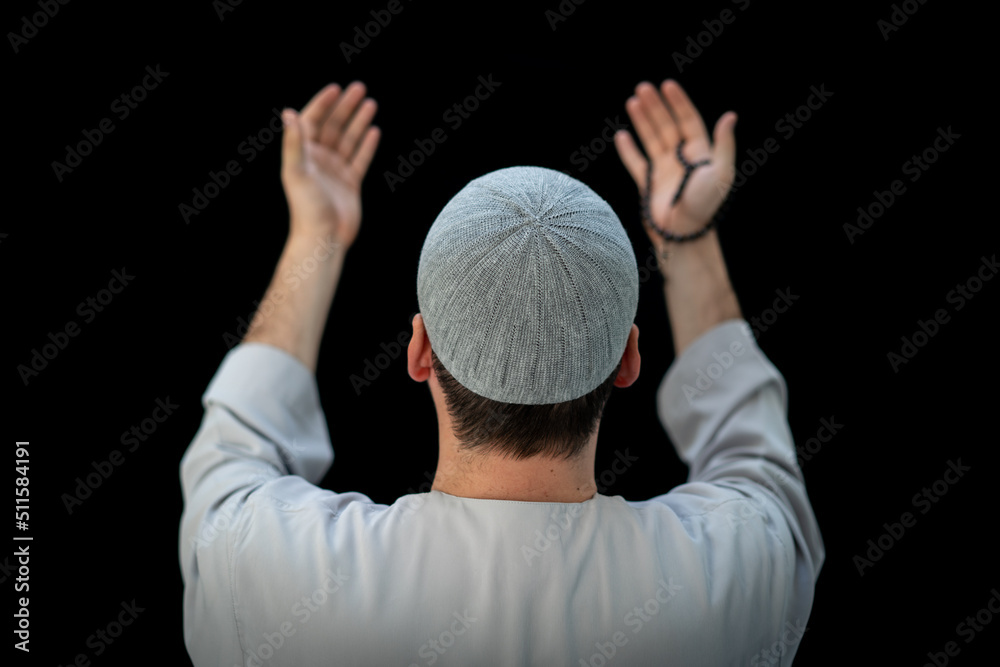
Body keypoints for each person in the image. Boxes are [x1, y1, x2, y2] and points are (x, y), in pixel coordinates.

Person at [179, 78, 824, 666]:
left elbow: (235, 444)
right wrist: (688, 236)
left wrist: (315, 235)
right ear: (629, 360)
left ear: (419, 351)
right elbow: (757, 462)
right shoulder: (735, 574)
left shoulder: (268, 571)